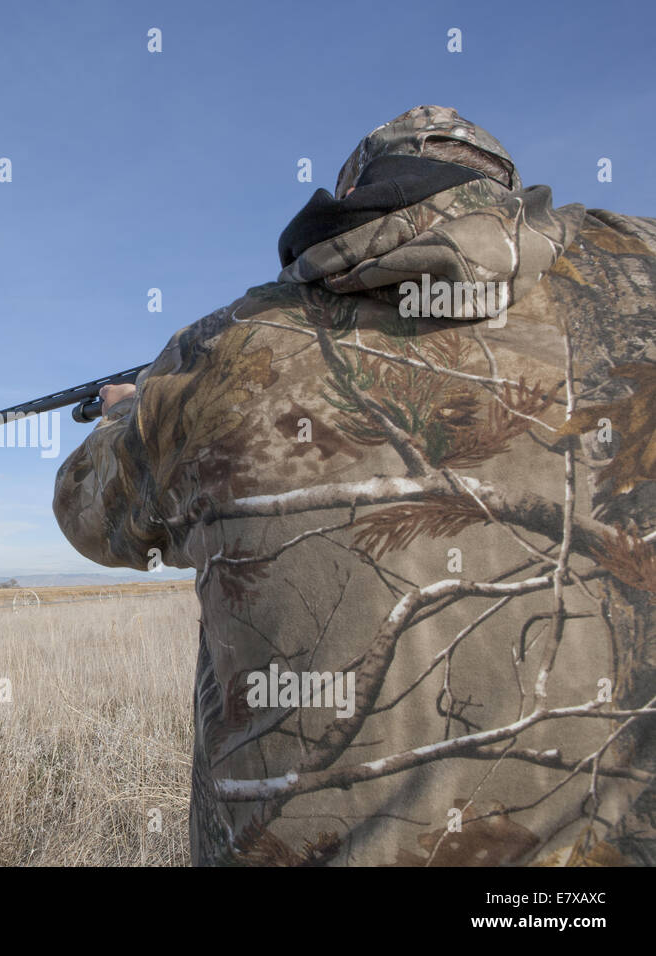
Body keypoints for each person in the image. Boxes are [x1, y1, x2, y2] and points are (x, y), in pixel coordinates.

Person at [54, 105, 656, 866]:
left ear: (361, 193)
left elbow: (89, 517)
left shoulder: (224, 353)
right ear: (504, 187)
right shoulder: (637, 271)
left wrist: (137, 414)